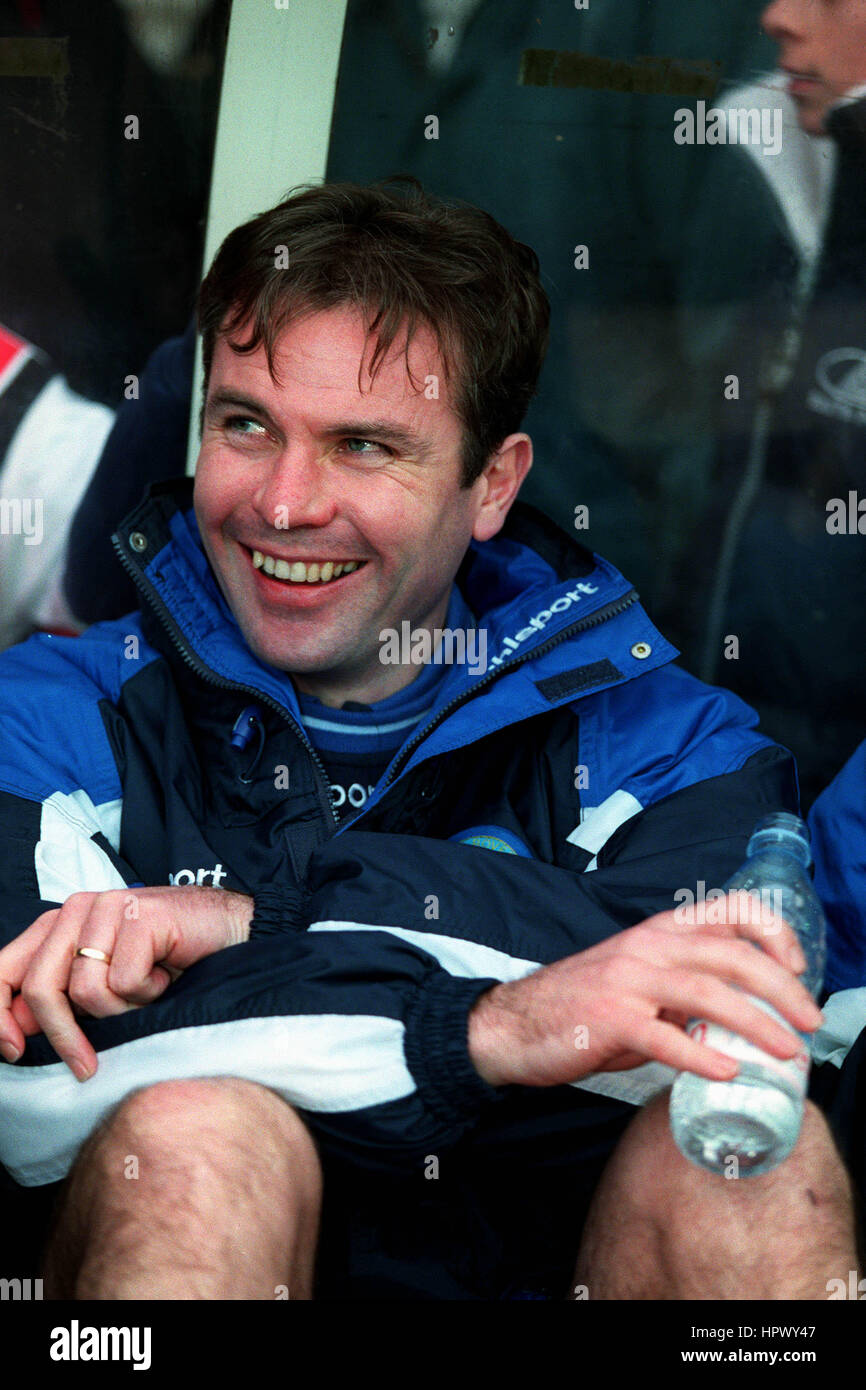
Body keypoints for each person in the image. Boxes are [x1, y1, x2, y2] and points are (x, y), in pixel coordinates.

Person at [0, 181, 858, 1301]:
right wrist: (496, 1025)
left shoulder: (665, 742)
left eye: (363, 446)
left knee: (746, 1162)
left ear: (490, 483)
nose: (287, 503)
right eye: (247, 424)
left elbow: (754, 1043)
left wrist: (255, 926)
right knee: (190, 1137)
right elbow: (35, 1084)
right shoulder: (51, 714)